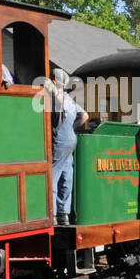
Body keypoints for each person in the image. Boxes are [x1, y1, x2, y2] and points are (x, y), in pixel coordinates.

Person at [48, 67, 86, 224]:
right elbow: (85, 116)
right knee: (66, 176)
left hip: (59, 140)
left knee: (52, 176)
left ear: (54, 81)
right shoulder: (69, 99)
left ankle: (54, 216)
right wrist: (72, 128)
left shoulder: (56, 97)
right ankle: (64, 214)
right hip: (71, 139)